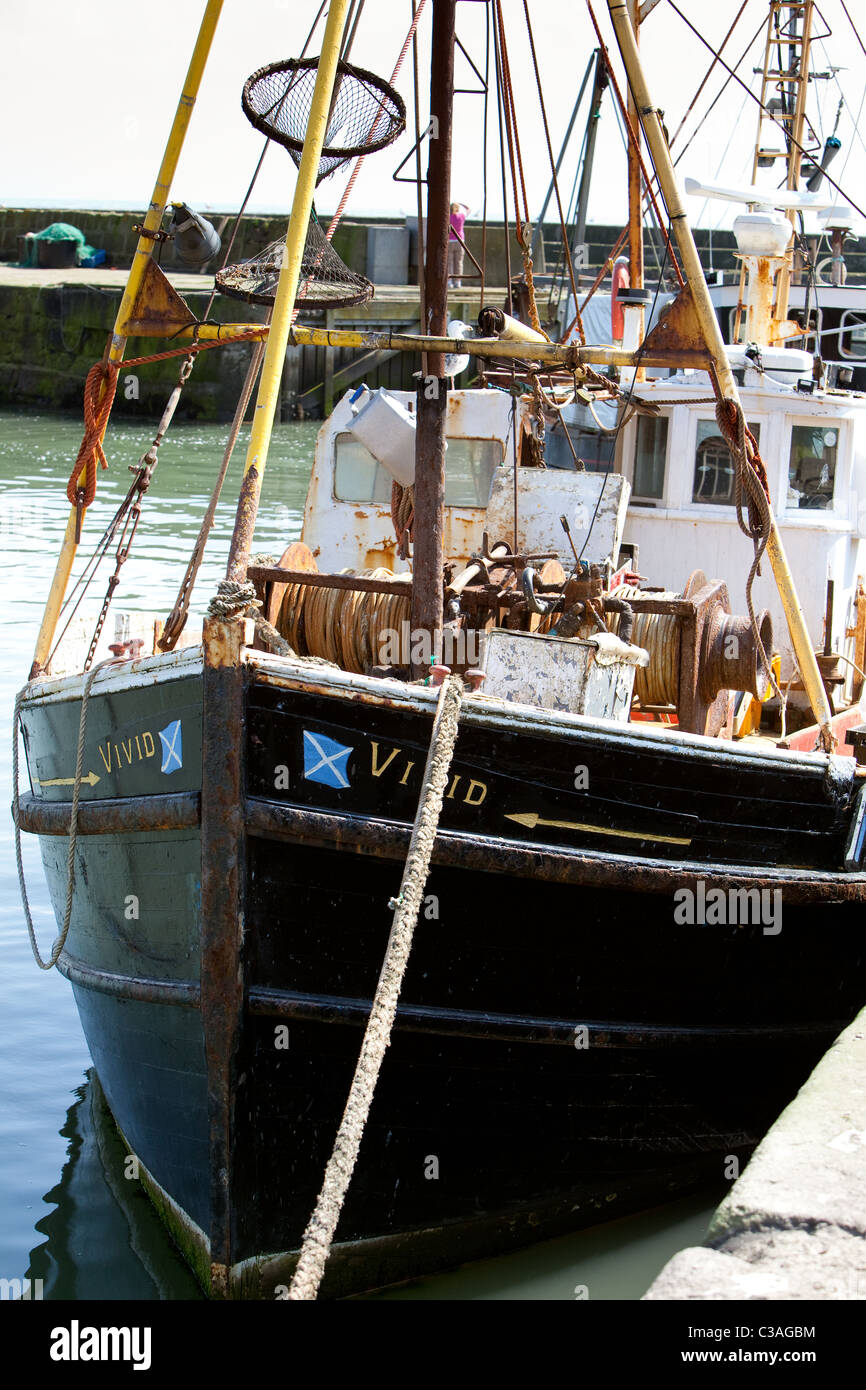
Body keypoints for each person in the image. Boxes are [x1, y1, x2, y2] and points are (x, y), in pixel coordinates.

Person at [448, 201, 469, 287]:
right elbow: (468, 209)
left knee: (449, 262)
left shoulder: (448, 217)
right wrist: (461, 203)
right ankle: (458, 281)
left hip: (449, 241)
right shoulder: (461, 216)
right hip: (460, 241)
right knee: (459, 262)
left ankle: (449, 282)